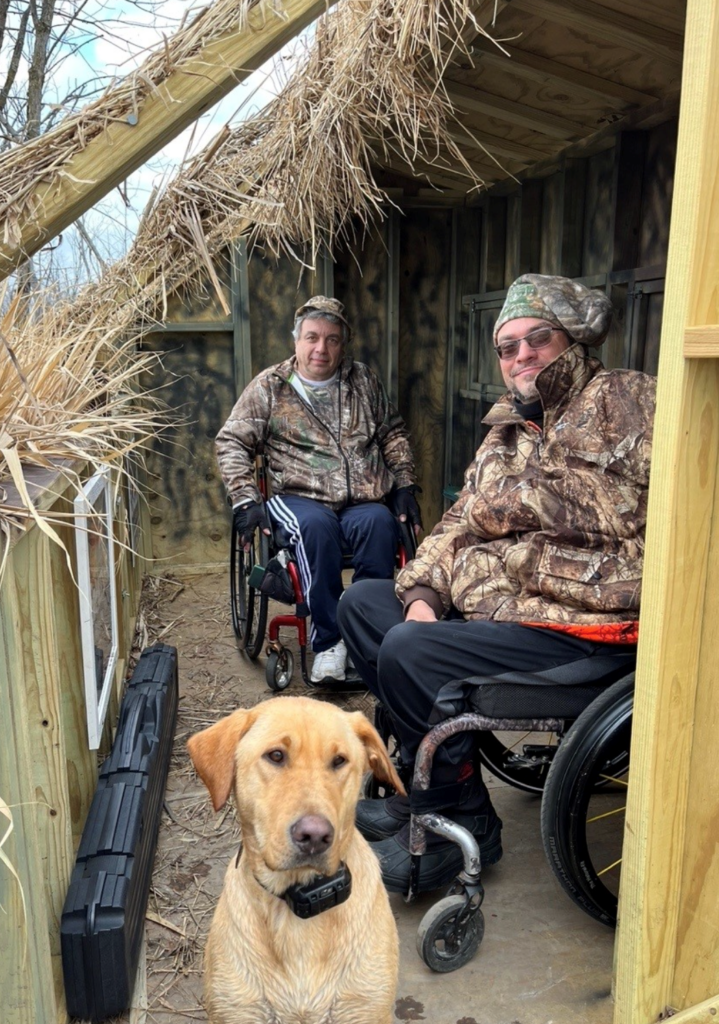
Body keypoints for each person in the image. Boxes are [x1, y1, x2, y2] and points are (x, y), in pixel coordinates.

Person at [337, 273, 656, 893]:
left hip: (586, 625)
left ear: (573, 339)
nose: (521, 356)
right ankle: (430, 781)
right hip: (505, 609)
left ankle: (463, 821)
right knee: (364, 604)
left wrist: (497, 521)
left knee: (410, 648)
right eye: (507, 347)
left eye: (537, 338)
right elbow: (460, 522)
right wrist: (426, 595)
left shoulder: (624, 398)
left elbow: (622, 513)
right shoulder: (505, 430)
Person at [216, 295, 421, 684]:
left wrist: (405, 482)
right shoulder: (271, 386)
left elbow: (392, 433)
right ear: (296, 340)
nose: (320, 348)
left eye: (332, 339)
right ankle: (328, 642)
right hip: (297, 496)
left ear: (343, 344)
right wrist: (245, 499)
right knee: (316, 530)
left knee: (380, 524)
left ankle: (364, 633)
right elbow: (232, 442)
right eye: (311, 337)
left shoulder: (362, 380)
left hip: (361, 496)